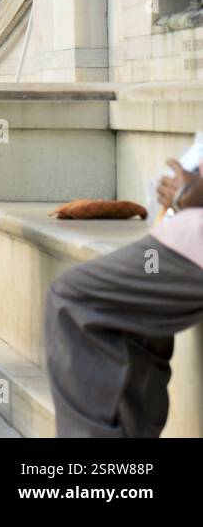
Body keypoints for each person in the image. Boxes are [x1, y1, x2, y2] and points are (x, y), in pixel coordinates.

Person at [44, 159, 203, 437]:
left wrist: (193, 190)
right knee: (131, 320)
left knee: (74, 298)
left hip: (192, 232)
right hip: (183, 225)